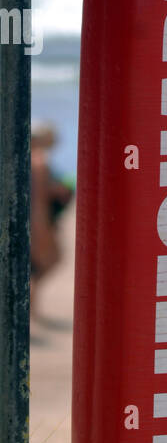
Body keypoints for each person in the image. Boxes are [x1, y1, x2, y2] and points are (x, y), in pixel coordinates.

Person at [30, 123, 74, 321]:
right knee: (40, 264)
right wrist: (43, 231)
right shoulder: (39, 161)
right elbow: (38, 201)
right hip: (40, 221)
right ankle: (27, 310)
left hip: (38, 219)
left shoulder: (30, 158)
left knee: (35, 266)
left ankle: (31, 310)